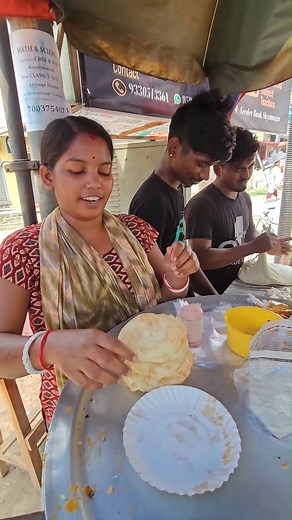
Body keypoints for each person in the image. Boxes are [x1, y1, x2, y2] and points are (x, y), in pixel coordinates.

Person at [0, 116, 200, 428]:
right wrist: (49, 345)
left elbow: (166, 302)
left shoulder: (134, 231)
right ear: (47, 176)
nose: (95, 182)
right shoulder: (25, 250)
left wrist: (176, 276)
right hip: (80, 405)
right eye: (77, 170)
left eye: (104, 171)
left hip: (152, 387)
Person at [129, 89, 236, 295]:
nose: (205, 175)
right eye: (201, 163)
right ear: (174, 148)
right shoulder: (152, 202)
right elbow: (152, 283)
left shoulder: (175, 187)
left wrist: (215, 299)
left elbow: (184, 259)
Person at [185, 127, 291, 294]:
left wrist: (267, 244)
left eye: (250, 166)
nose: (247, 174)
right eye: (239, 169)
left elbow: (249, 232)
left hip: (237, 286)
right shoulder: (202, 205)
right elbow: (200, 257)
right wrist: (252, 247)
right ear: (218, 169)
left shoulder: (244, 198)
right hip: (208, 296)